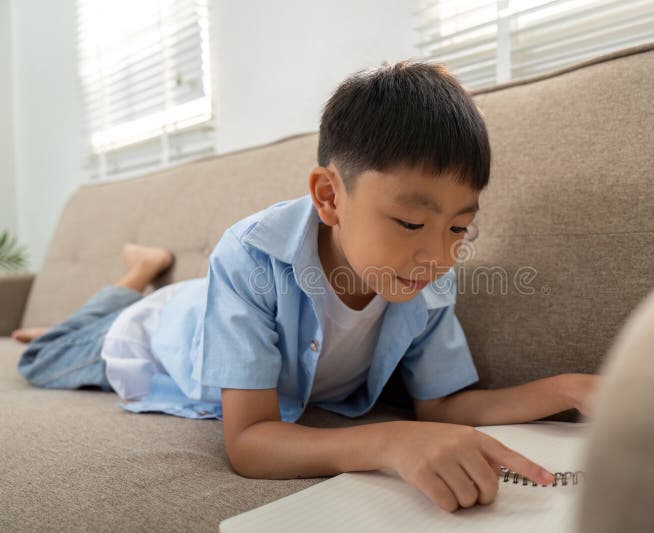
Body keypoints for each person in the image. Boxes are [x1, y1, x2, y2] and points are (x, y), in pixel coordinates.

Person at [14, 60, 600, 513]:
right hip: (159, 331)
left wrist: (569, 389)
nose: (438, 257)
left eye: (458, 229)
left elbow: (443, 405)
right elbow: (250, 443)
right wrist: (389, 442)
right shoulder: (249, 257)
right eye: (410, 224)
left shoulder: (426, 285)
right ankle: (135, 278)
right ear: (328, 197)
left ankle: (138, 281)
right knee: (43, 354)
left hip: (205, 305)